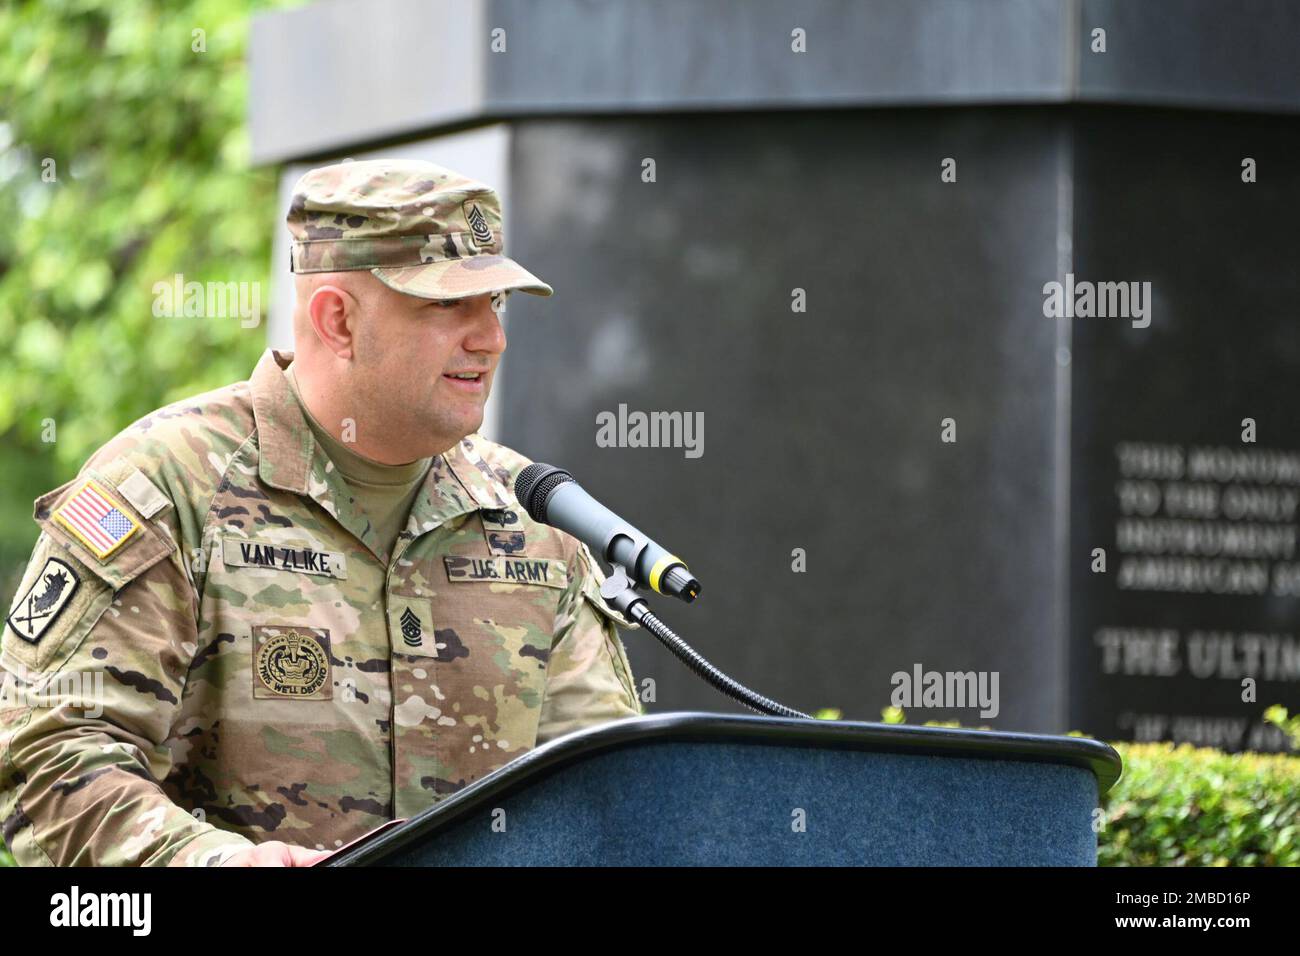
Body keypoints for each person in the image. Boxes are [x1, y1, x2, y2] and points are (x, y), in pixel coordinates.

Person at [0, 159, 642, 867]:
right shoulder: (167, 487)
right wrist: (215, 863)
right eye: (446, 306)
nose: (490, 337)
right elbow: (46, 760)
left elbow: (614, 795)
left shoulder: (531, 523)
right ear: (337, 319)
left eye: (495, 303)